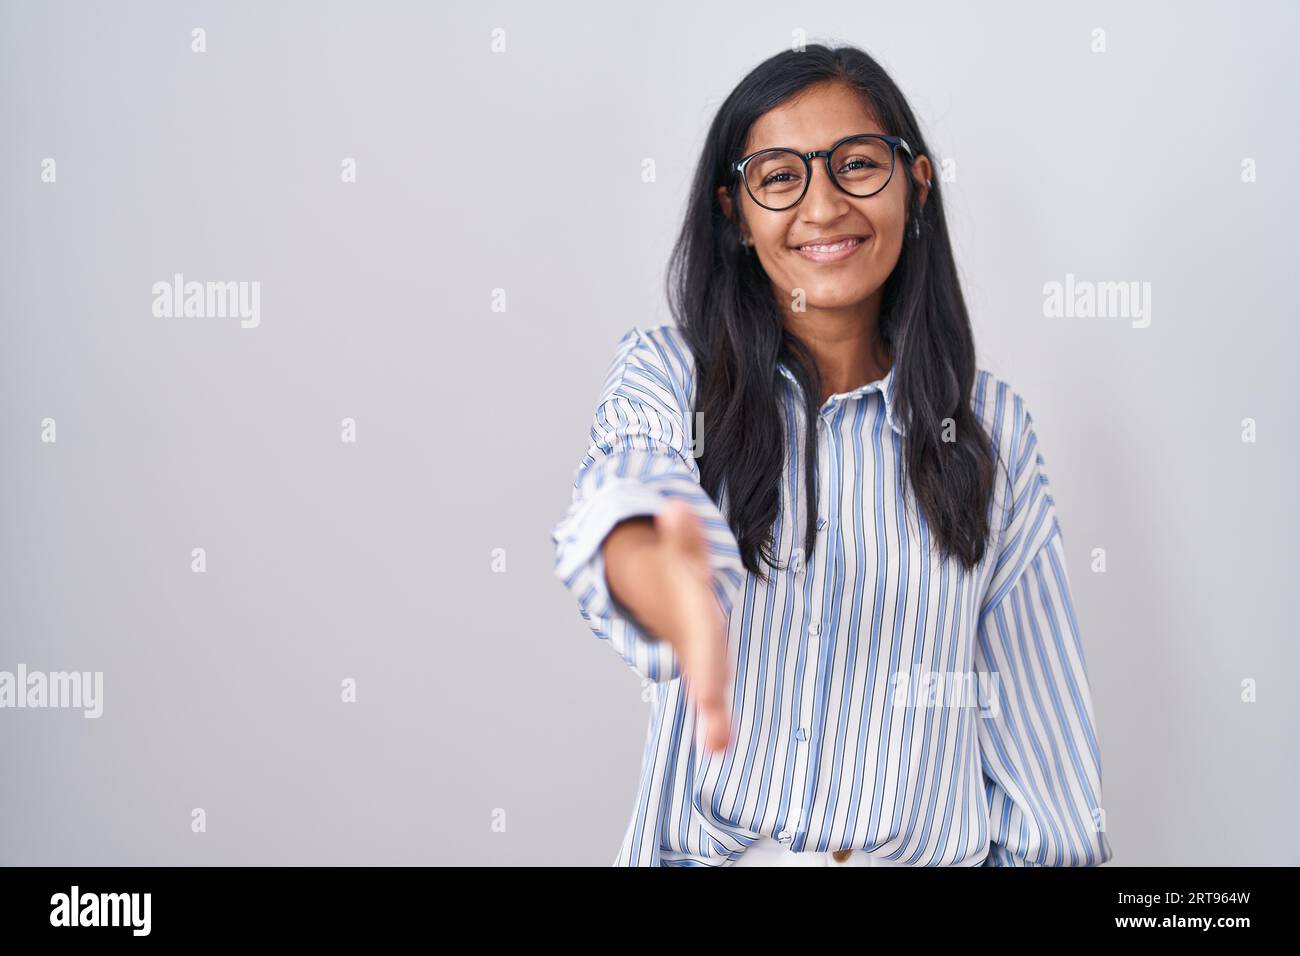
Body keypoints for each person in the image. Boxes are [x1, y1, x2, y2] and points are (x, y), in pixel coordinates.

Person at [551, 43, 1113, 868]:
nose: (822, 207)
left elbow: (1040, 749)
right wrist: (650, 561)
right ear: (735, 214)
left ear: (915, 184)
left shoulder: (989, 429)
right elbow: (626, 480)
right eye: (779, 177)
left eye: (855, 164)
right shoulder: (671, 377)